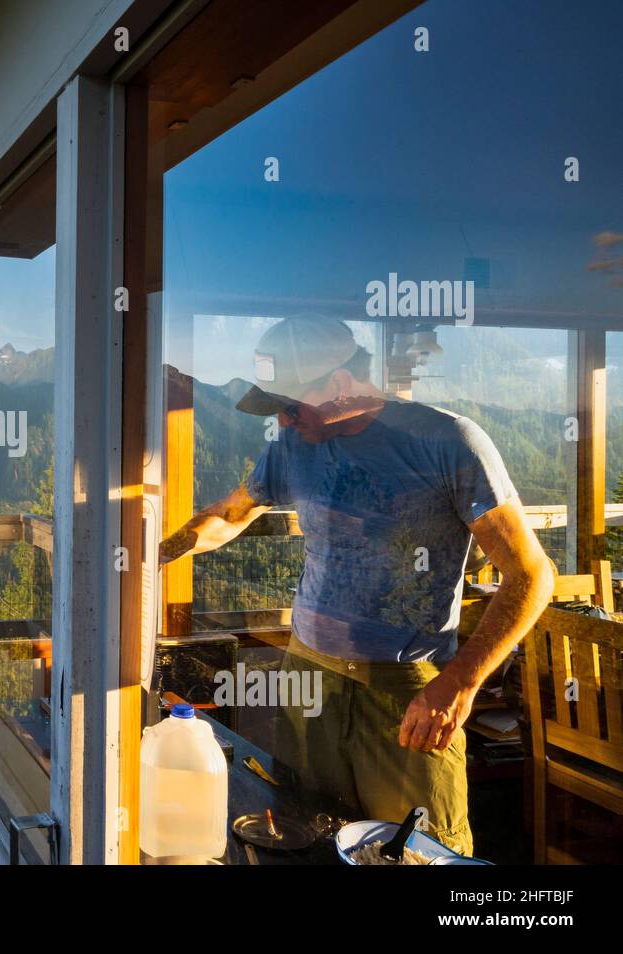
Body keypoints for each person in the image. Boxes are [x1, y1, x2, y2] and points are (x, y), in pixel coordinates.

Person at [161, 316, 554, 855]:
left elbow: (531, 576)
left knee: (416, 849)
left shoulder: (447, 441)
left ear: (341, 385)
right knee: (306, 832)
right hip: (310, 677)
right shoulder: (292, 444)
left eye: (291, 403)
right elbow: (233, 514)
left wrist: (459, 684)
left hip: (406, 691)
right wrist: (156, 553)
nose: (281, 417)